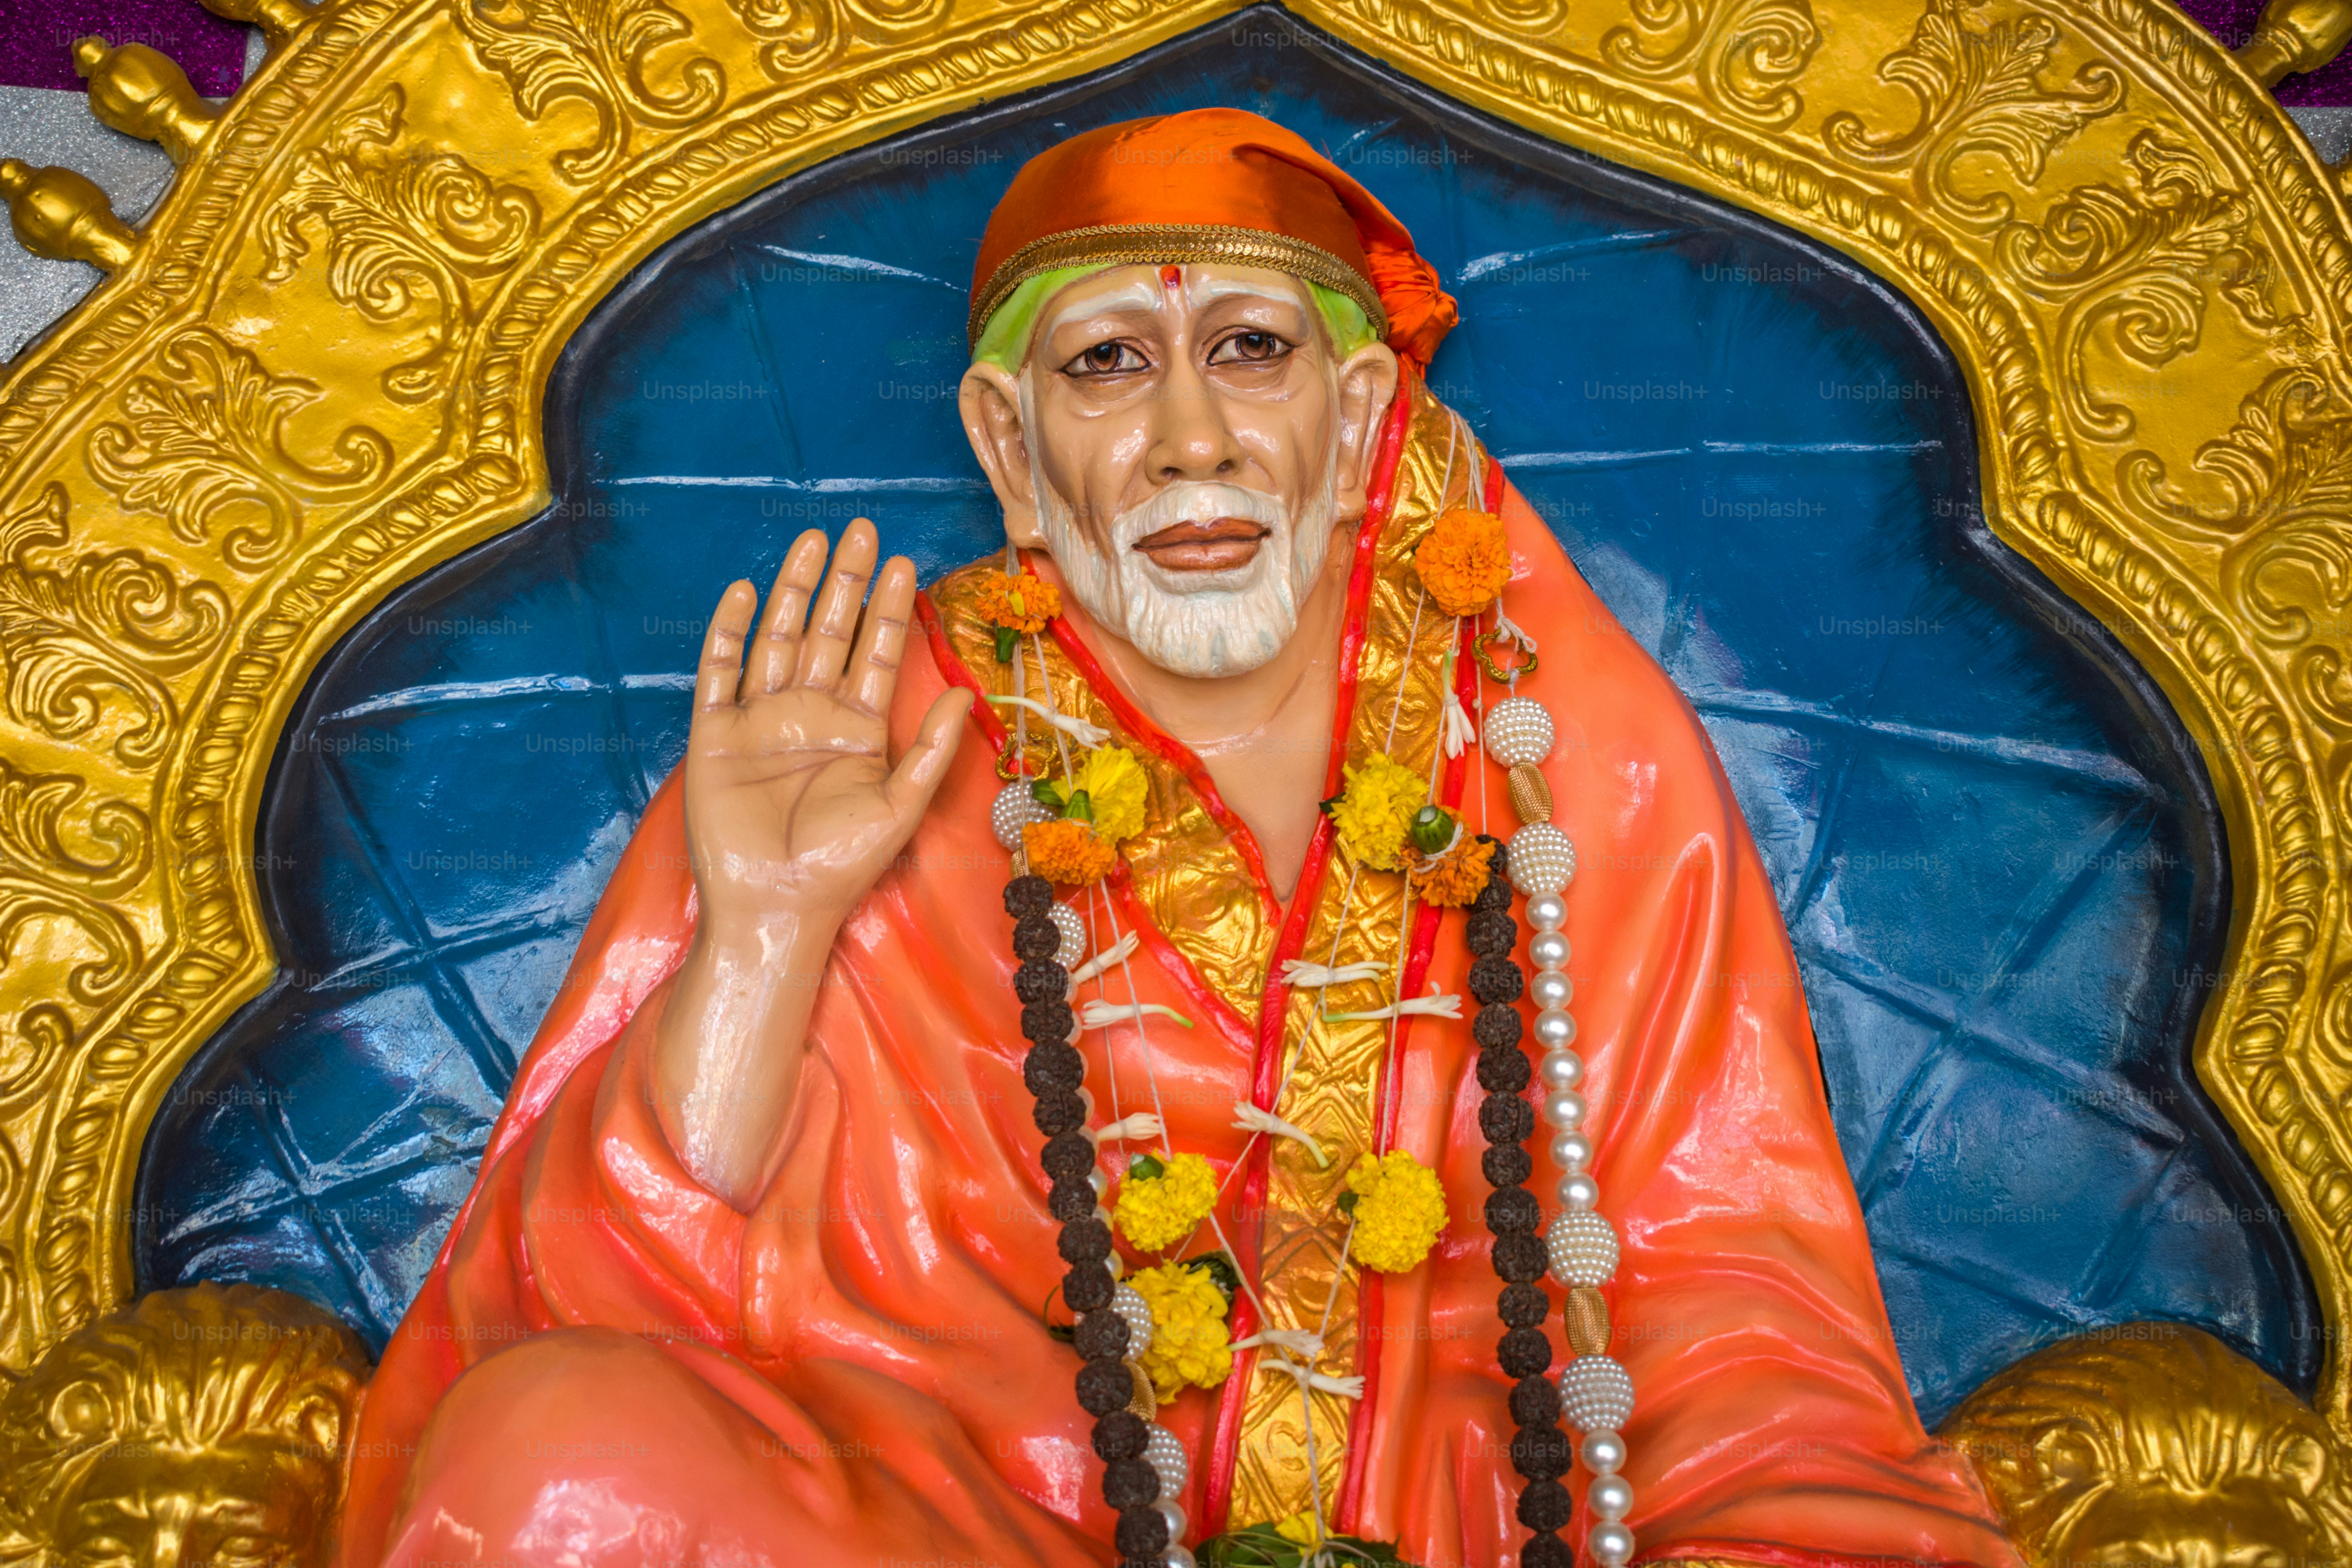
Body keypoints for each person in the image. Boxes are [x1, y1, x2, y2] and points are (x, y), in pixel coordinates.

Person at [337, 109, 2021, 1568]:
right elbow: (600, 1283)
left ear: (1357, 413)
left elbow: (1728, 1272)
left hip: (1489, 1529)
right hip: (988, 1515)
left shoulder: (1545, 730)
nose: (1191, 439)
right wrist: (768, 931)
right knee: (550, 1455)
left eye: (1251, 349)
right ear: (1009, 441)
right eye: (1108, 364)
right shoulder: (885, 723)